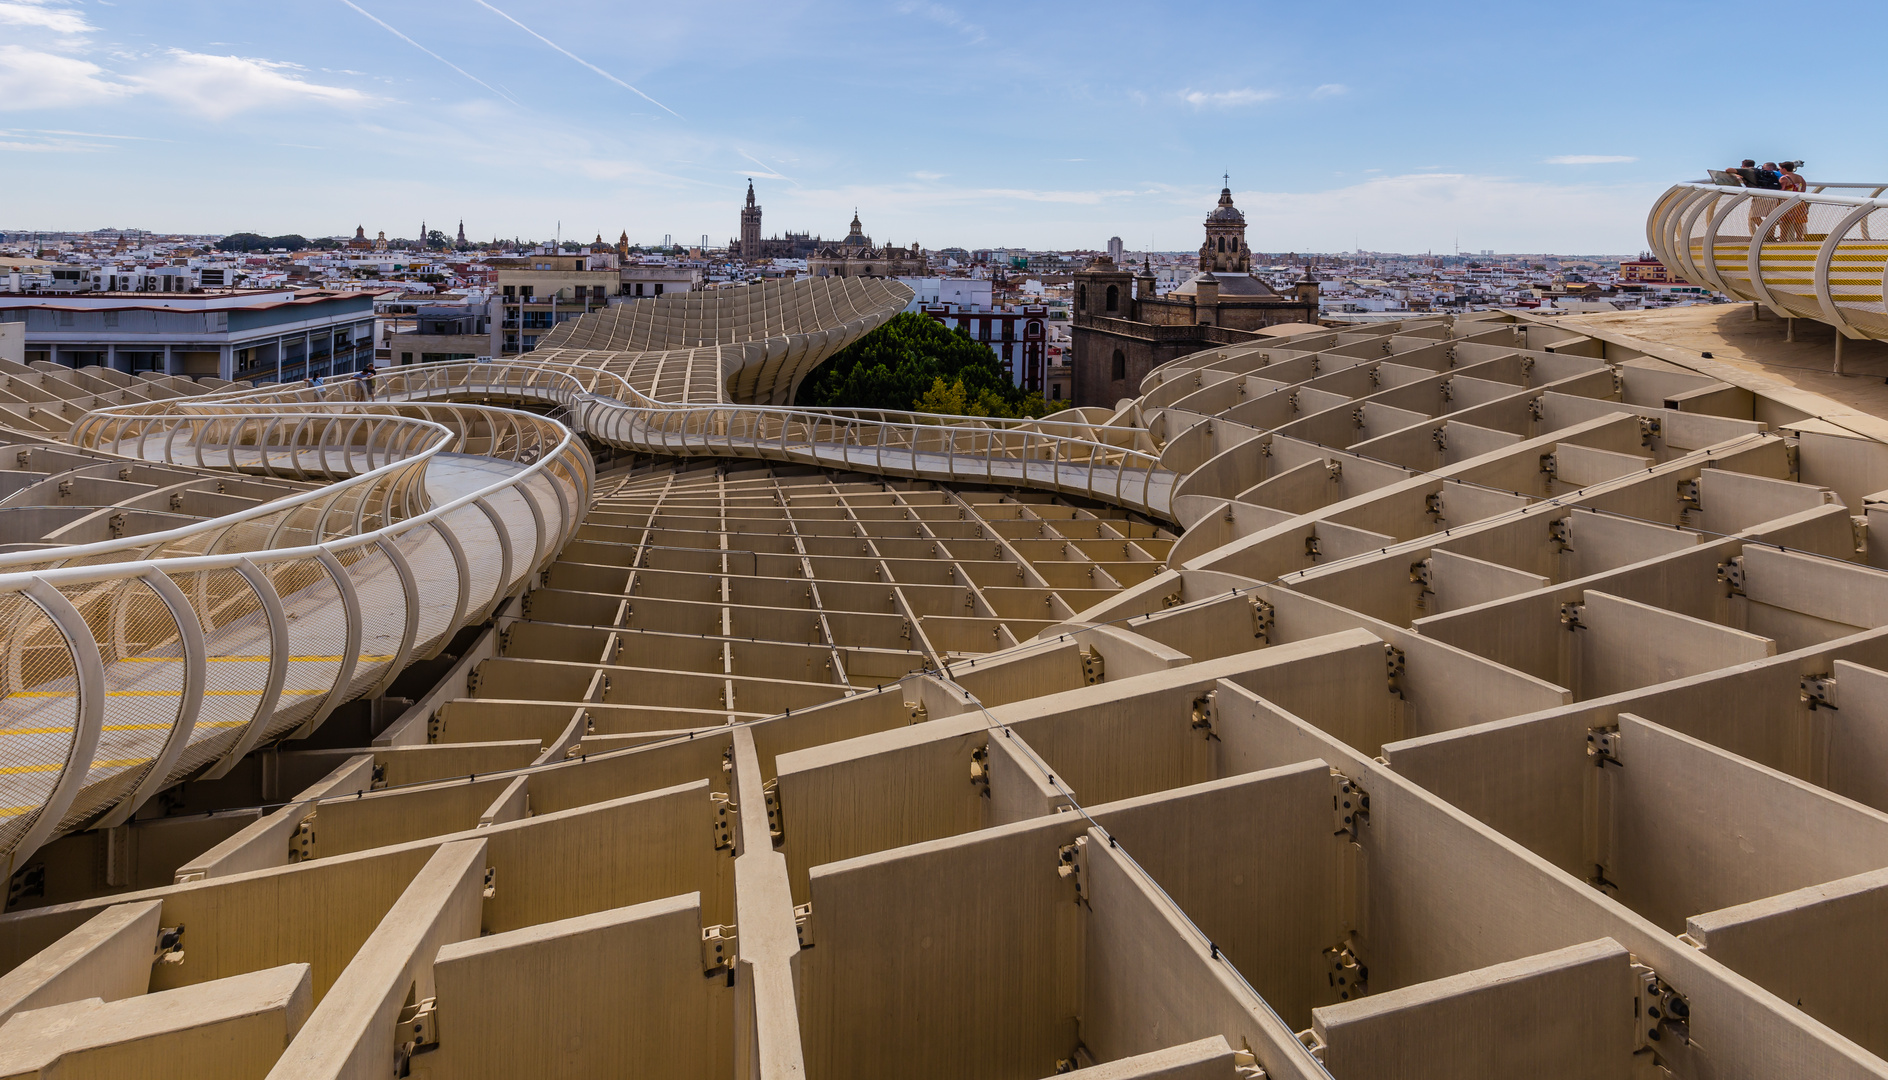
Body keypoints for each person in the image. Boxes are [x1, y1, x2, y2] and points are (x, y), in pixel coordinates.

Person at [1777, 161, 1809, 241]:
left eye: (1780, 168)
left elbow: (1782, 190)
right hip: (1799, 202)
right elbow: (1804, 186)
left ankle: (1783, 238)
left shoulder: (1784, 178)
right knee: (1799, 222)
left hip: (1788, 202)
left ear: (1784, 169)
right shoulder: (1799, 177)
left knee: (1785, 222)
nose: (1779, 170)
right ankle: (1799, 238)